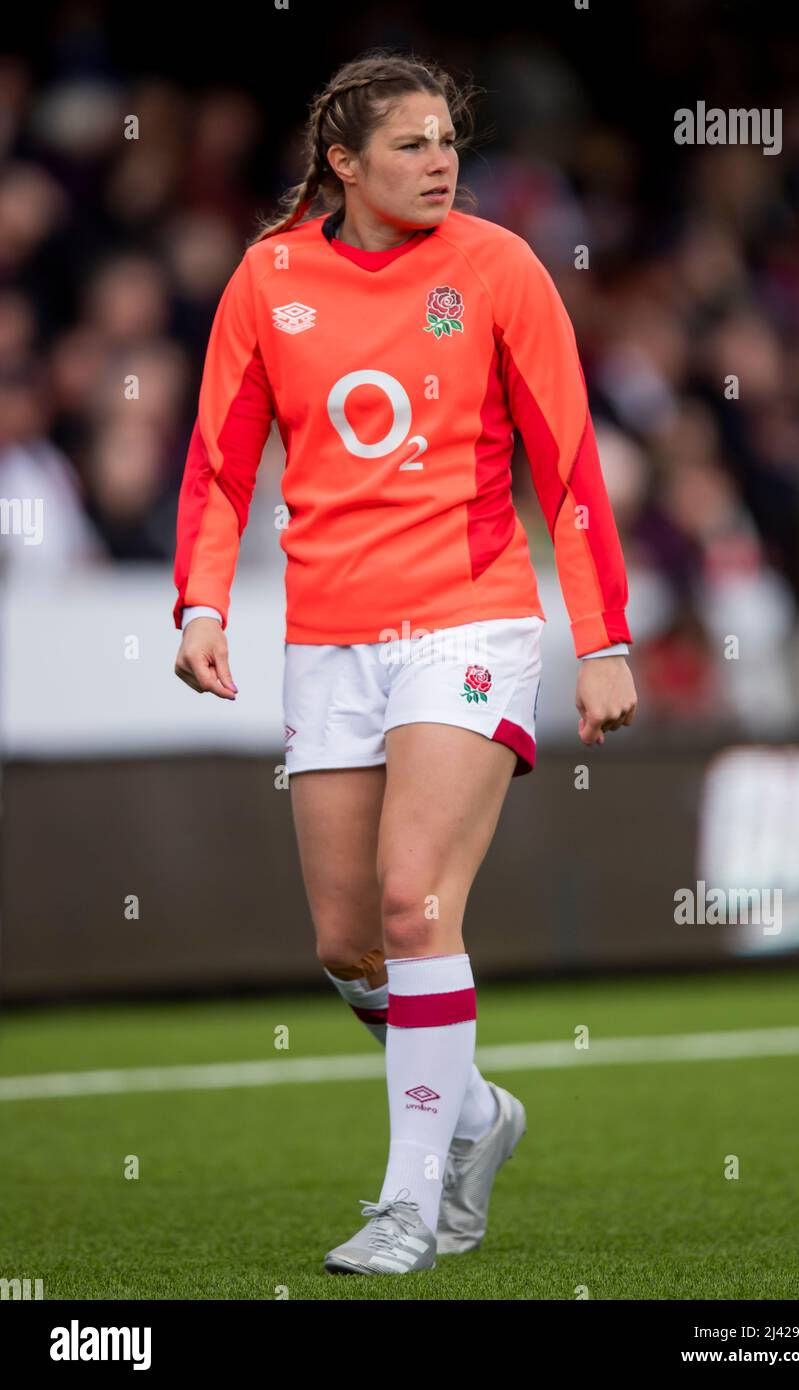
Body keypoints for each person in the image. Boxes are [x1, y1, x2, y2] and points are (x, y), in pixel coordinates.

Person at [172, 48, 637, 1276]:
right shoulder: (268, 279)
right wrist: (200, 604)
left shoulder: (497, 268)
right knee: (346, 942)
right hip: (328, 636)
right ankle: (475, 1114)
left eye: (448, 143)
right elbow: (220, 464)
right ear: (343, 161)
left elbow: (568, 462)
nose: (440, 164)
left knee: (411, 898)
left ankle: (408, 1205)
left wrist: (599, 638)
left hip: (469, 619)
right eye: (412, 145)